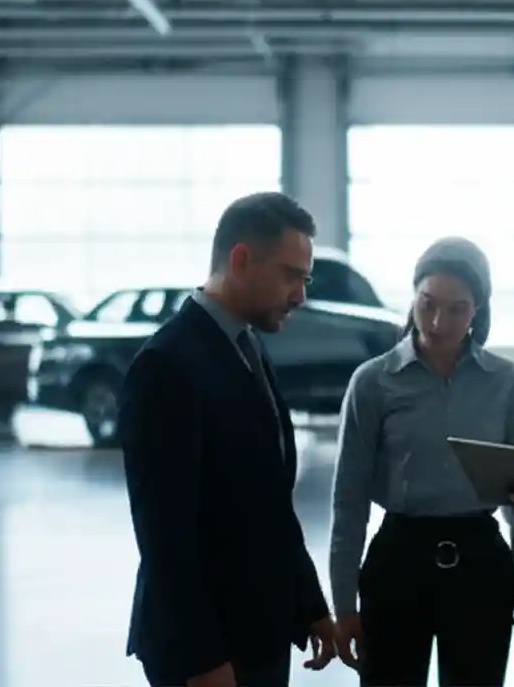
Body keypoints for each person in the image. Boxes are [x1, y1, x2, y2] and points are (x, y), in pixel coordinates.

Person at [119, 193, 338, 687]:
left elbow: (270, 503)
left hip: (259, 633)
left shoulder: (248, 345)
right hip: (205, 651)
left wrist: (310, 606)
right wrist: (202, 660)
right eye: (291, 276)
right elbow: (165, 537)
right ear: (241, 260)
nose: (300, 296)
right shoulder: (167, 366)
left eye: (304, 280)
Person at [329, 237, 514, 687]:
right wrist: (343, 606)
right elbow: (348, 500)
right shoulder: (373, 382)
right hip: (399, 558)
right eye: (428, 304)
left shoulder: (508, 383)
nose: (440, 322)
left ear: (478, 309)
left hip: (480, 561)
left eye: (458, 309)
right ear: (413, 297)